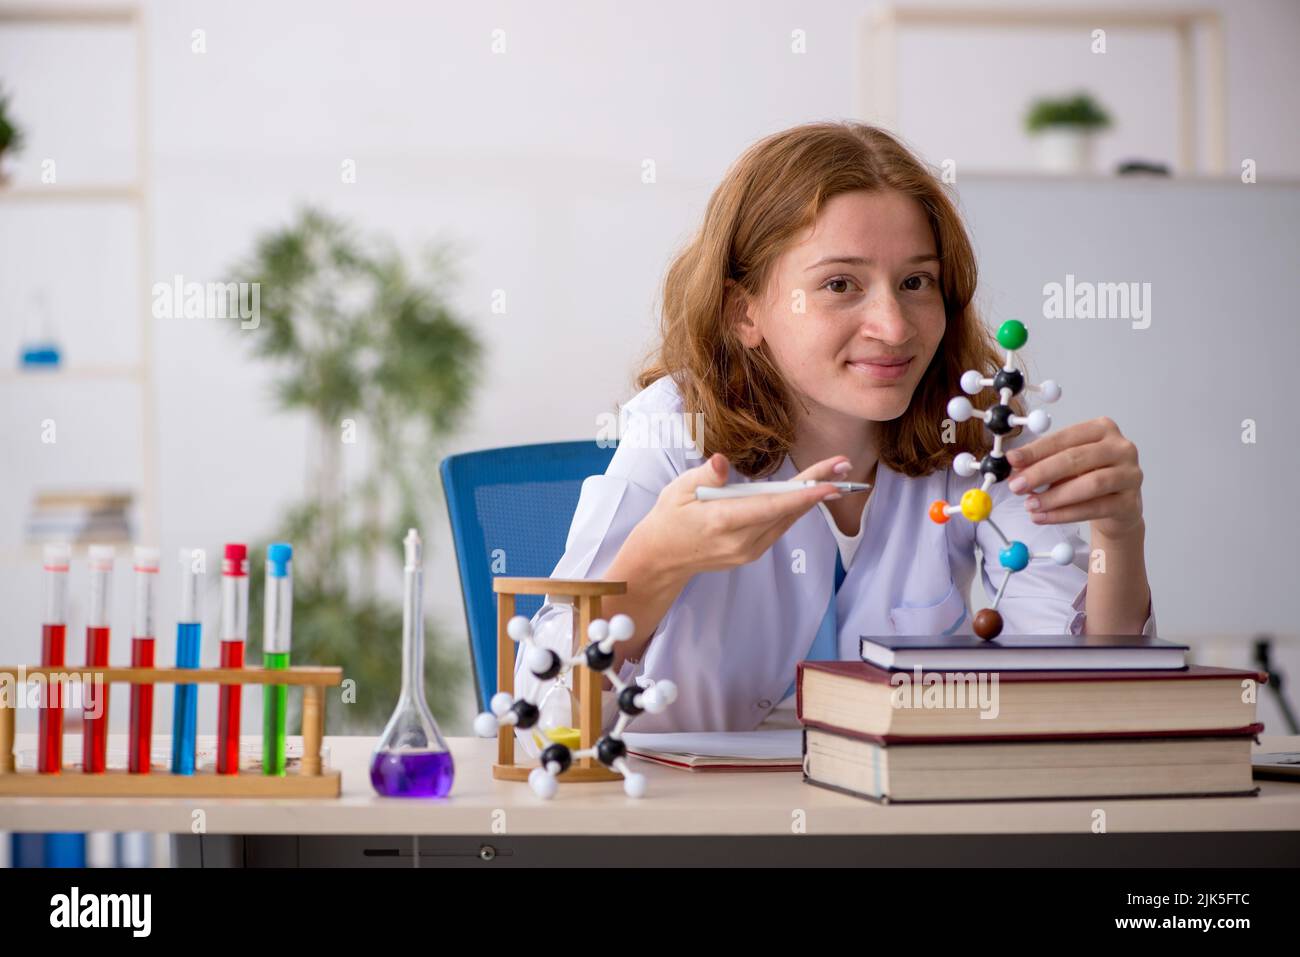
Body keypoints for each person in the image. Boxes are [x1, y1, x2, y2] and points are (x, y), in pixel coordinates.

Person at [516, 121, 1153, 735]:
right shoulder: (679, 433)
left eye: (915, 282)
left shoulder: (974, 431)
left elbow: (1077, 701)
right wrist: (656, 563)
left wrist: (1117, 535)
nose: (895, 326)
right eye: (840, 284)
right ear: (745, 311)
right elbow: (541, 723)